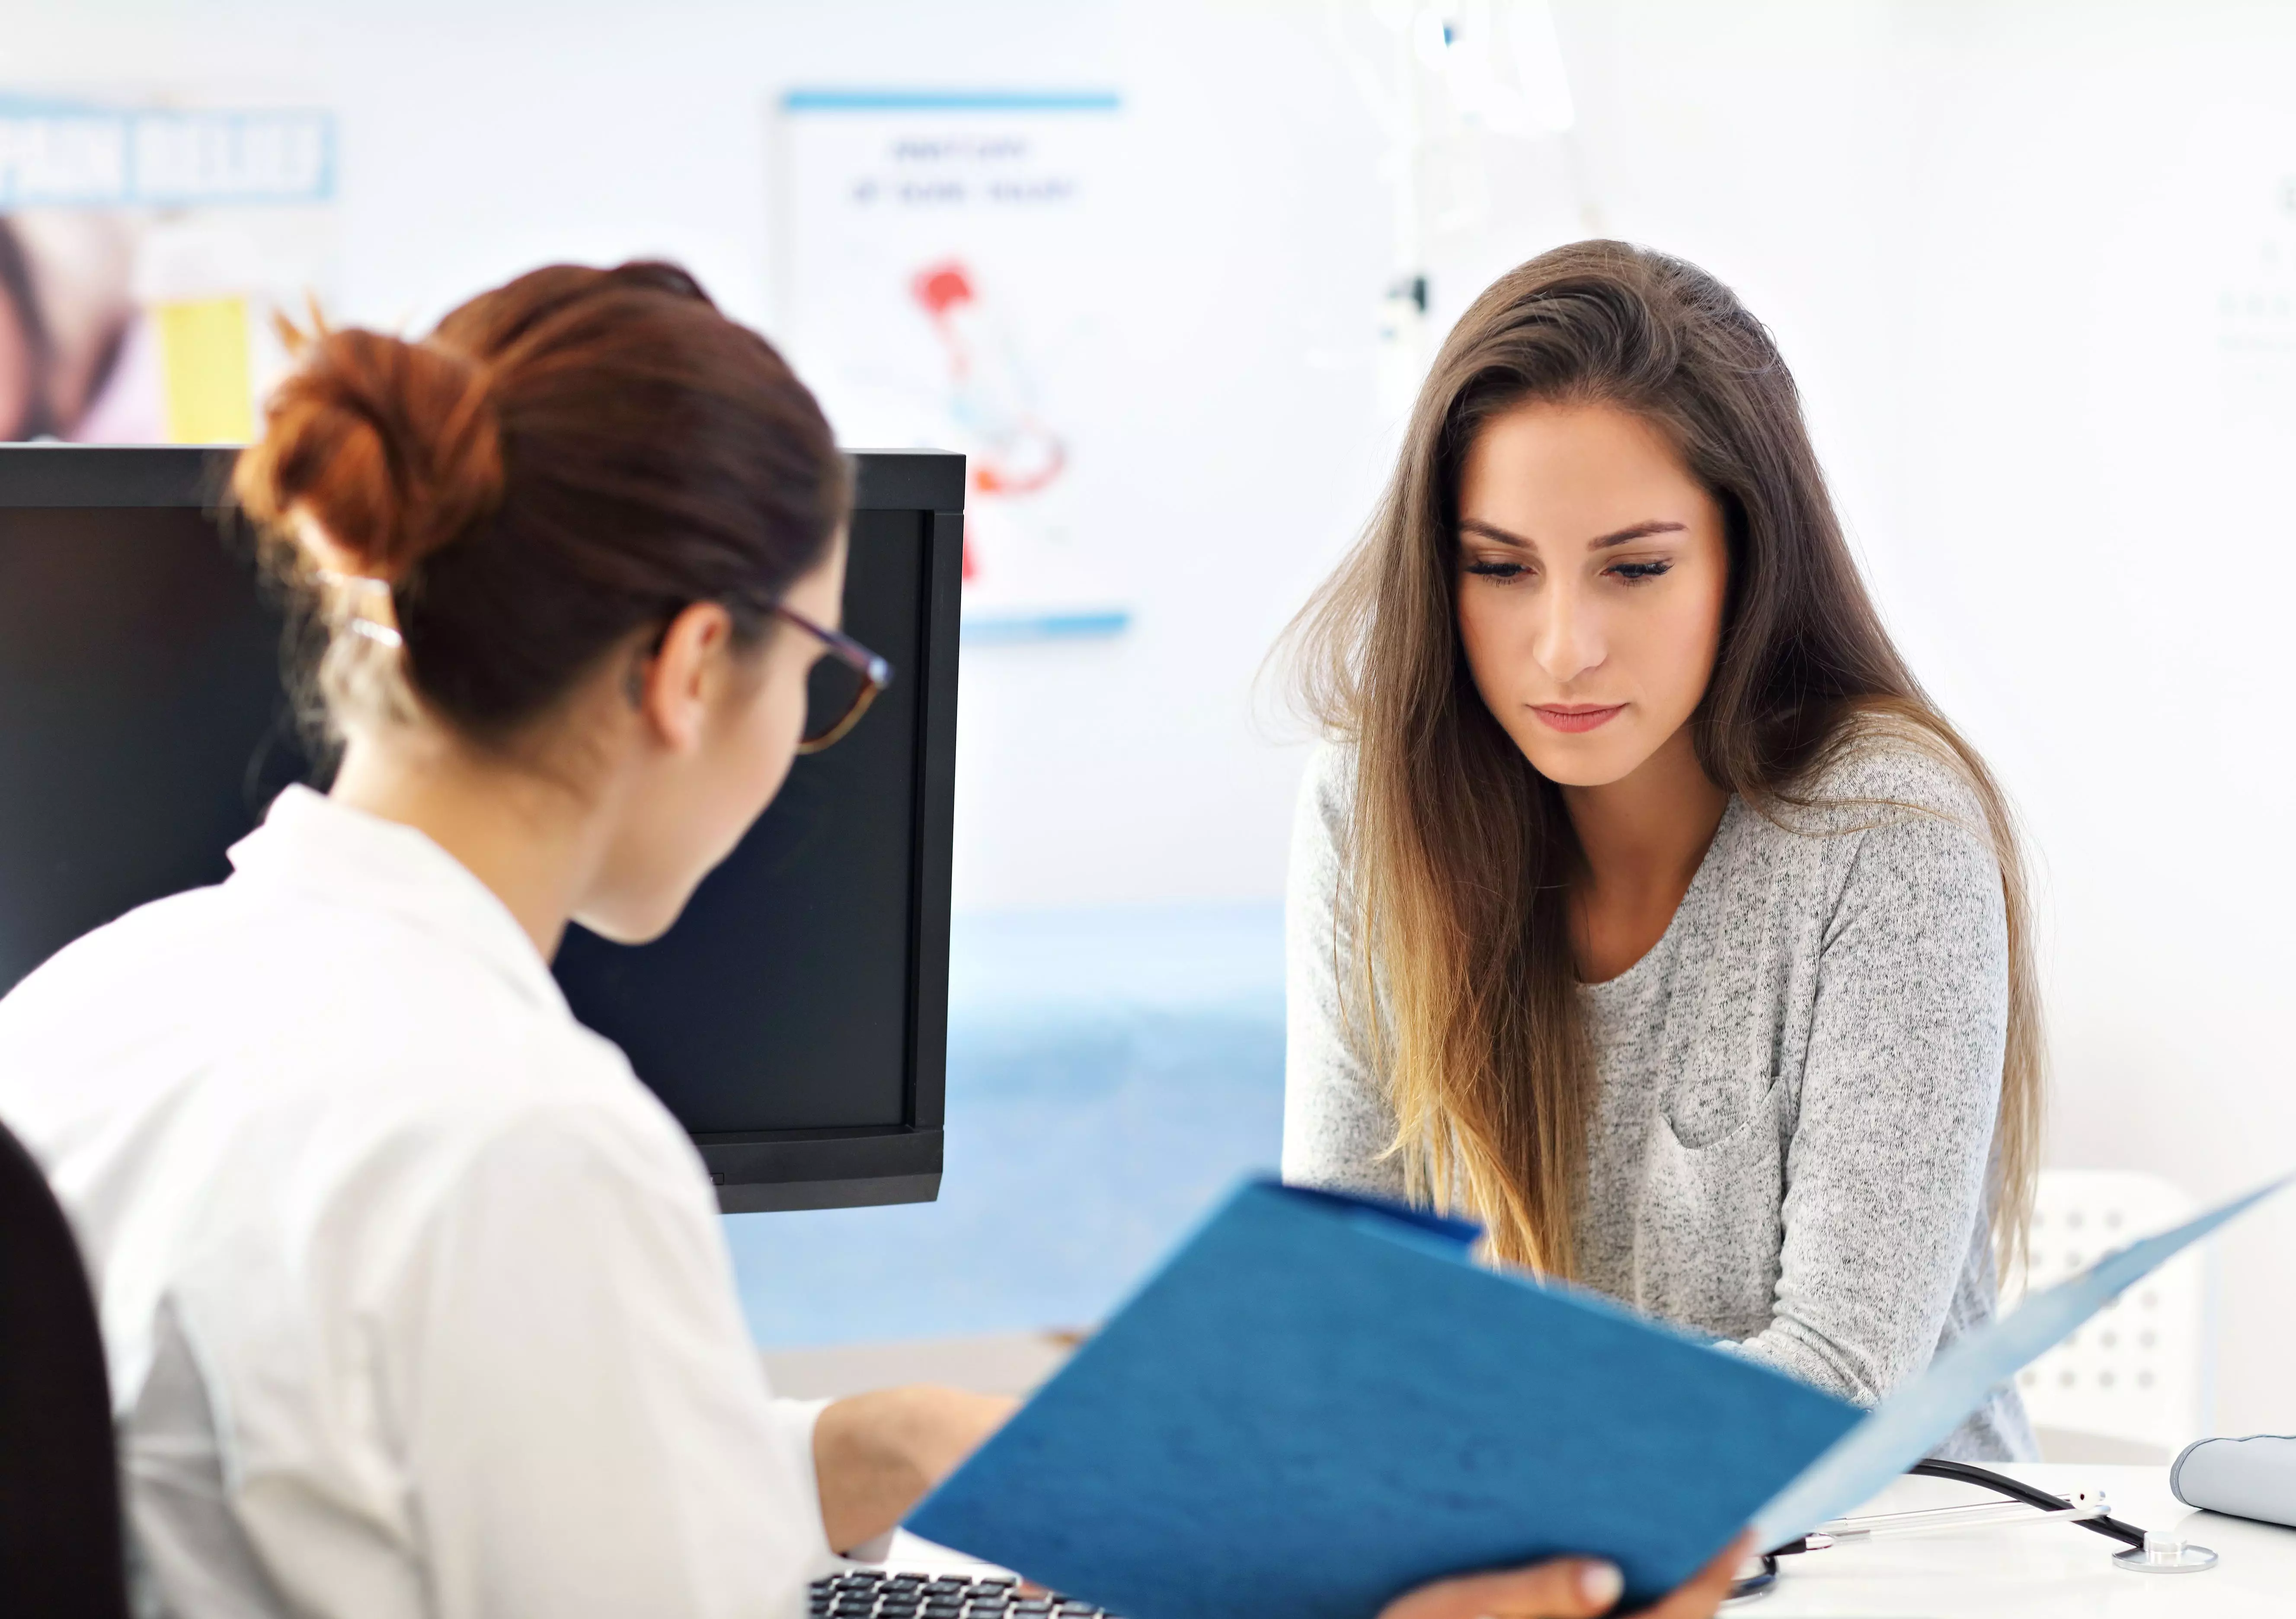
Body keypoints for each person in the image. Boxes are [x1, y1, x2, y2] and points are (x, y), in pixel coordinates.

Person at [0, 260, 1742, 1619]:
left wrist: (864, 1448)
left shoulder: (84, 1008)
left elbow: (406, 1482)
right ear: (692, 669)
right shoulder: (526, 1147)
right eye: (823, 677)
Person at [1281, 239, 2043, 1460]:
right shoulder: (1373, 810)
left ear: (1749, 559)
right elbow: (1339, 1302)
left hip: (1875, 1555)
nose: (1564, 647)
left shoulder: (1887, 834)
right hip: (1522, 1540)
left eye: (1635, 569)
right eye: (1499, 569)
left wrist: (1450, 1412)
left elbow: (1833, 1383)